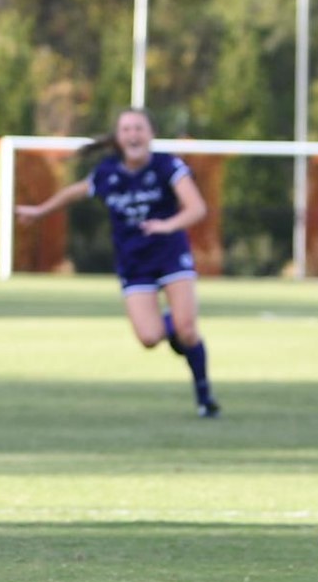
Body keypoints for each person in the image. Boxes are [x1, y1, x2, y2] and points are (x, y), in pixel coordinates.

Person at [14, 109, 218, 417]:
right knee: (149, 338)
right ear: (119, 138)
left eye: (139, 128)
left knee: (188, 330)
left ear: (151, 134)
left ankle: (204, 397)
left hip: (169, 253)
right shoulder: (107, 172)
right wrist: (40, 212)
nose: (133, 134)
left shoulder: (168, 166)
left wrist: (167, 225)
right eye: (126, 129)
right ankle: (171, 321)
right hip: (134, 260)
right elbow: (73, 192)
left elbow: (197, 208)